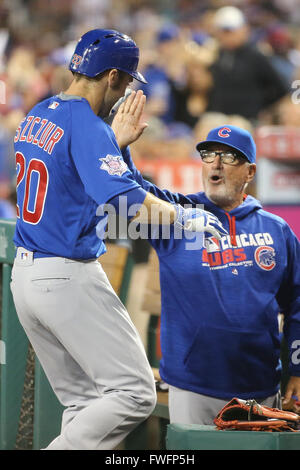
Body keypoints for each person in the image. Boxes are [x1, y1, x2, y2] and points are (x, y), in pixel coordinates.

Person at [10, 28, 227, 449]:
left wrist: (116, 144)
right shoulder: (86, 125)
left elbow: (81, 176)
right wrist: (188, 220)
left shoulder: (38, 112)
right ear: (111, 76)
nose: (127, 89)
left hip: (26, 278)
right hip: (66, 275)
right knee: (134, 392)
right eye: (127, 80)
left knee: (85, 403)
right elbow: (127, 204)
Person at [111, 100, 300, 424]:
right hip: (192, 387)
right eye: (209, 155)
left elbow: (297, 302)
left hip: (260, 388)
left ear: (250, 171)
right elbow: (132, 191)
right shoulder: (174, 215)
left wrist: (298, 369)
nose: (217, 164)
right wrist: (119, 148)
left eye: (229, 156)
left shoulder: (277, 230)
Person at [207, 6, 289, 122]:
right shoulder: (214, 55)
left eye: (230, 31)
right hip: (220, 121)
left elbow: (279, 88)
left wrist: (263, 109)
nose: (226, 36)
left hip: (249, 120)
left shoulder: (256, 56)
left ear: (243, 30)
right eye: (223, 31)